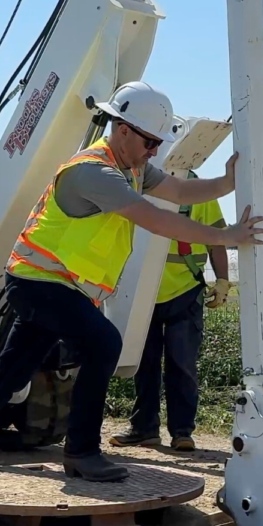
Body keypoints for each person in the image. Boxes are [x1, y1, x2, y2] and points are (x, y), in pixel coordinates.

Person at [0, 81, 263, 483]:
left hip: (50, 285)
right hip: (41, 282)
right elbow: (157, 219)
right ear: (123, 130)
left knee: (9, 376)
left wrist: (226, 182)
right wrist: (226, 237)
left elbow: (178, 190)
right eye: (150, 142)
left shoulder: (131, 167)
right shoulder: (94, 172)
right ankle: (82, 452)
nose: (154, 150)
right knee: (103, 342)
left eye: (158, 143)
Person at [109, 170, 229, 452]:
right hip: (142, 292)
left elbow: (216, 240)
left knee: (182, 364)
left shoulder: (198, 191)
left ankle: (182, 431)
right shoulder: (135, 184)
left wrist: (223, 280)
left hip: (184, 290)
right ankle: (144, 429)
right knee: (143, 364)